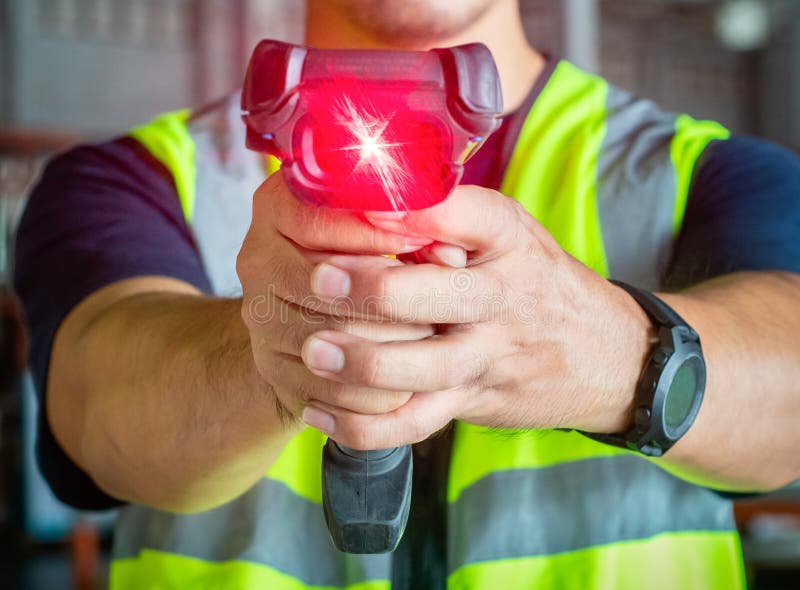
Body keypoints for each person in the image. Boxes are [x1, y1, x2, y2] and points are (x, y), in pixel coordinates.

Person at [13, 0, 800, 588]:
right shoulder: (128, 180)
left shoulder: (706, 170)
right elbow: (97, 408)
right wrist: (276, 353)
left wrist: (614, 352)